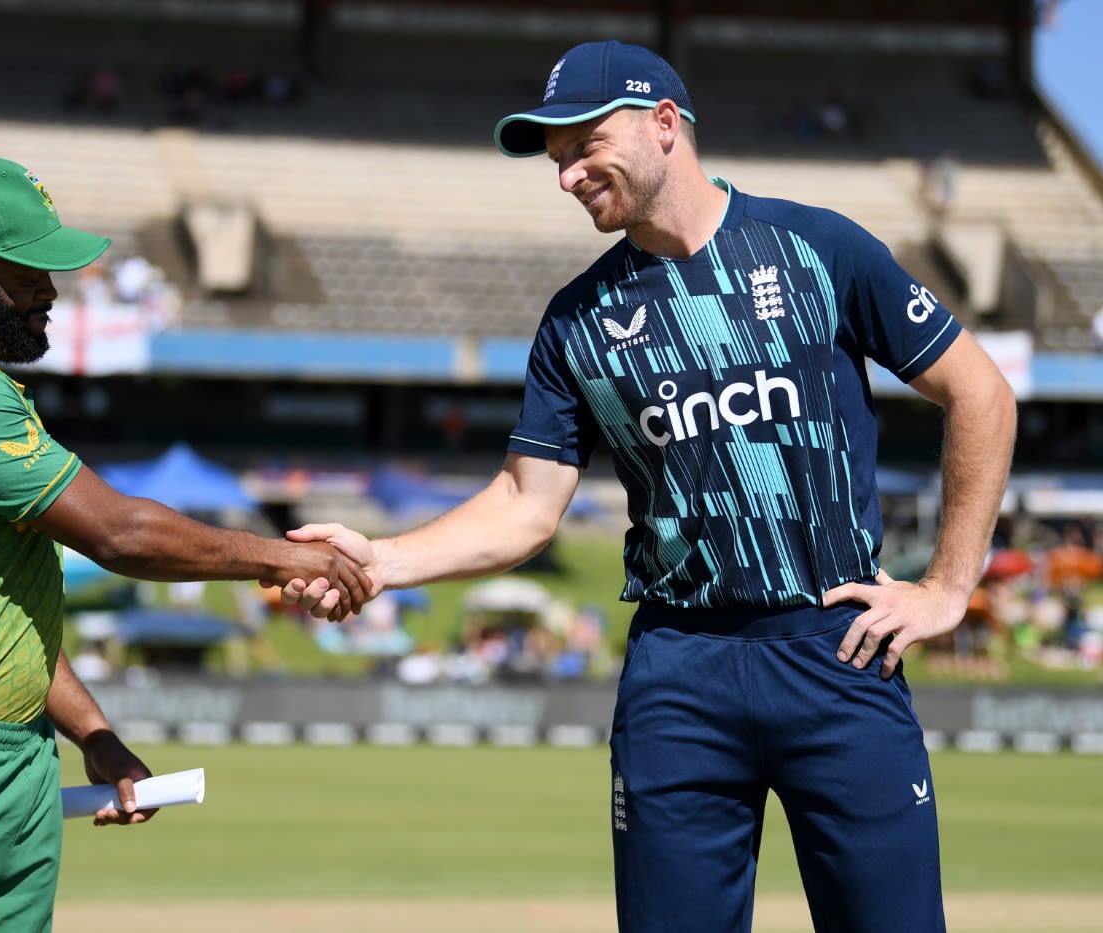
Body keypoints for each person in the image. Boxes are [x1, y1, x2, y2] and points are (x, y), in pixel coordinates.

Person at [282, 41, 1017, 933]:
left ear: (664, 123)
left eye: (586, 145)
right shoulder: (576, 321)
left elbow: (979, 392)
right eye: (557, 160)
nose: (568, 176)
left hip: (837, 650)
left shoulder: (818, 248)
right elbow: (524, 505)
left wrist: (948, 585)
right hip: (680, 674)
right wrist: (381, 560)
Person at [0, 154, 366, 933]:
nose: (50, 290)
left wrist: (94, 734)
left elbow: (3, 613)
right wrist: (283, 556)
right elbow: (120, 533)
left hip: (9, 759)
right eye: (25, 273)